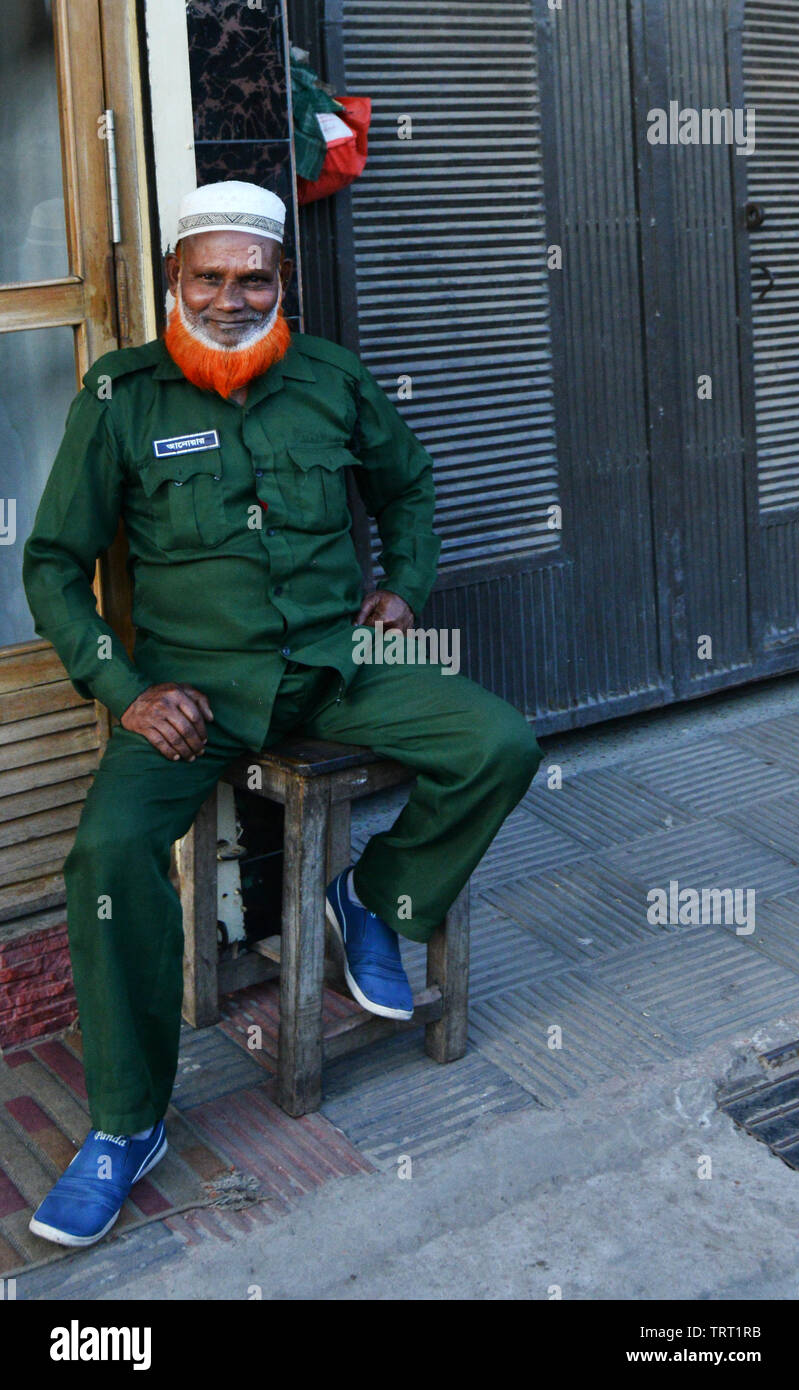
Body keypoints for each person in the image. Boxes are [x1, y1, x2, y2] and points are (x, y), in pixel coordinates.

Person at [22, 180, 542, 1247]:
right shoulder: (122, 398)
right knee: (107, 858)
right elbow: (54, 566)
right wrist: (125, 691)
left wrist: (409, 583)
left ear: (280, 281)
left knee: (499, 742)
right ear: (175, 278)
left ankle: (376, 896)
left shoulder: (333, 379)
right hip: (190, 693)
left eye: (250, 277)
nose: (227, 297)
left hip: (332, 660)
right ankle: (127, 1126)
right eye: (206, 277)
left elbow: (409, 484)